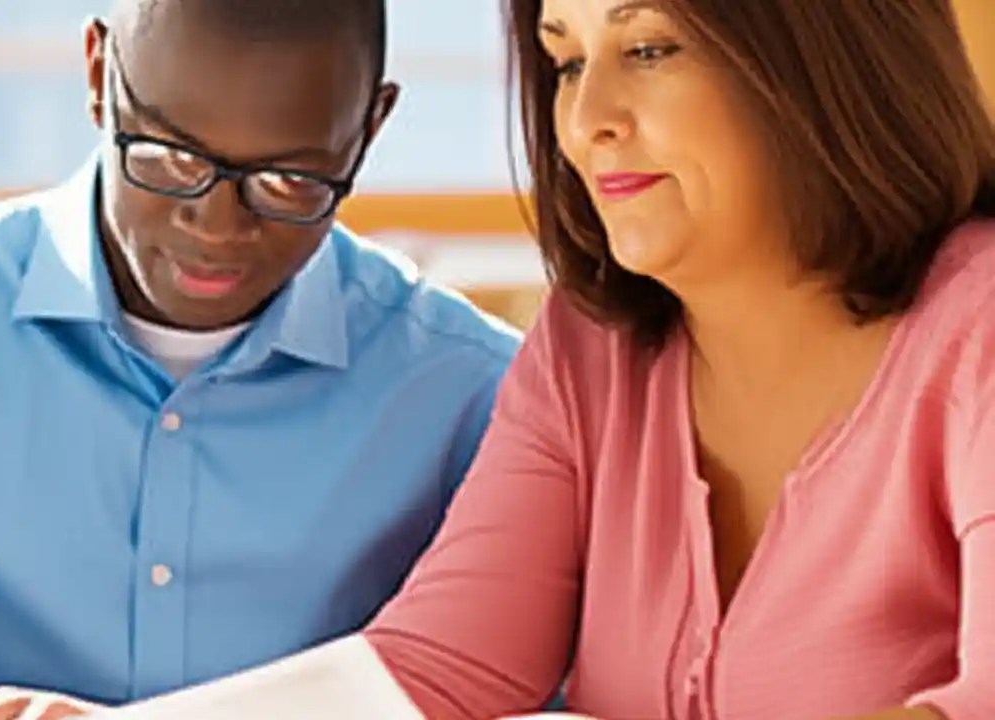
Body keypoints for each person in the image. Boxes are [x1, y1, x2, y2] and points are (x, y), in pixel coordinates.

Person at [83, 0, 995, 719]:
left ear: (819, 57)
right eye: (565, 60)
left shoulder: (978, 327)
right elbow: (441, 666)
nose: (587, 118)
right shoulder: (589, 351)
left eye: (649, 49)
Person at [0, 0, 521, 717]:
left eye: (288, 180)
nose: (216, 227)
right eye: (171, 160)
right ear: (99, 73)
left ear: (370, 128)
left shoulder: (471, 394)